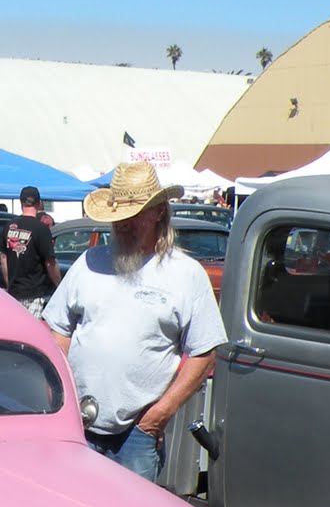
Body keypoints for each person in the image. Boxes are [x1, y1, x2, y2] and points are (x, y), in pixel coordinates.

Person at [43, 162, 224, 481]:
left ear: (157, 212)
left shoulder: (185, 274)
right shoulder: (89, 262)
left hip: (136, 436)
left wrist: (158, 415)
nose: (123, 223)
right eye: (119, 216)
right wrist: (57, 395)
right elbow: (59, 330)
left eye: (134, 214)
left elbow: (204, 353)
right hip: (77, 424)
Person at [0, 185, 60, 316]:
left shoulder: (9, 226)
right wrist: (59, 285)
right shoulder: (41, 229)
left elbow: (3, 258)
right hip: (33, 293)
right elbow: (50, 262)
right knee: (32, 334)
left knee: (15, 332)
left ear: (21, 203)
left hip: (14, 292)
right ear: (39, 203)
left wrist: (9, 282)